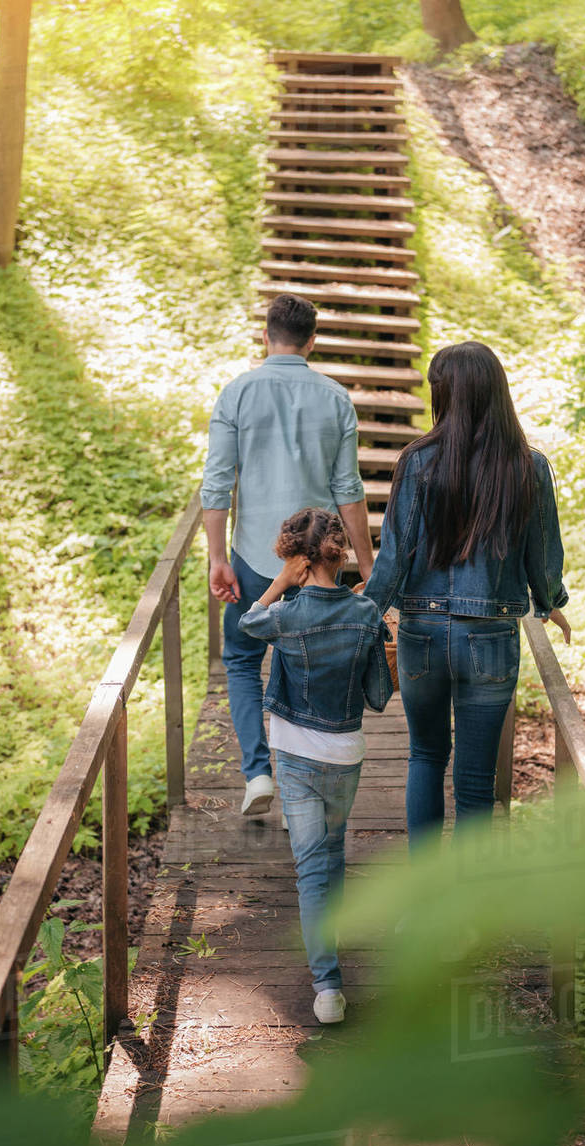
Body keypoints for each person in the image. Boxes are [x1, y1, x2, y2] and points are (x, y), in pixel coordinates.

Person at [364, 340, 570, 846]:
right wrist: (552, 604)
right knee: (477, 785)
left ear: (445, 395)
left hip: (423, 634)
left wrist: (365, 613)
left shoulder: (417, 461)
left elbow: (395, 554)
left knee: (426, 757)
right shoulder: (528, 466)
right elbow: (542, 556)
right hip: (492, 637)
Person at [201, 293, 375, 818]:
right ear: (312, 341)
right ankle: (313, 777)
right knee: (313, 657)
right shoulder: (336, 398)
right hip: (320, 558)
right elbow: (348, 488)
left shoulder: (236, 394)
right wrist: (367, 565)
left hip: (257, 556)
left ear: (266, 335)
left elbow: (216, 484)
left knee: (241, 659)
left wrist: (217, 556)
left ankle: (257, 772)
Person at [239, 508, 393, 1023]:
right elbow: (376, 698)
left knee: (310, 871)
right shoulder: (367, 613)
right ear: (340, 553)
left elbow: (248, 622)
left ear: (295, 559)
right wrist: (383, 648)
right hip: (345, 755)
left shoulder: (286, 614)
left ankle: (327, 987)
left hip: (296, 755)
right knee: (333, 851)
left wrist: (280, 582)